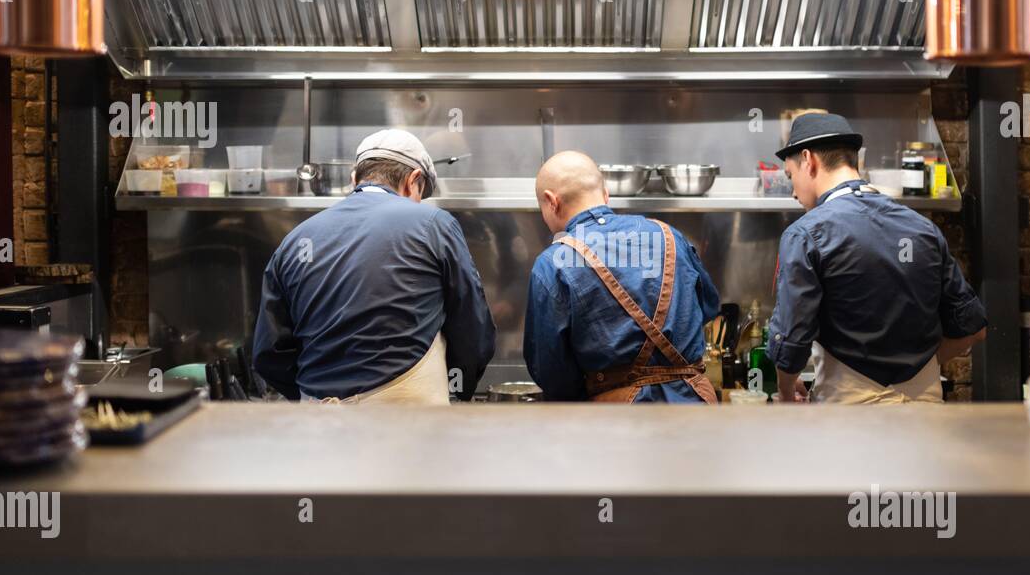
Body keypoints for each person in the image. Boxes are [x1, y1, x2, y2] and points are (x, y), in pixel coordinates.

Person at [252, 129, 495, 404]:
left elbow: (268, 353)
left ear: (354, 178)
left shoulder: (296, 239)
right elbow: (472, 329)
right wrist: (458, 389)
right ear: (413, 180)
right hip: (408, 419)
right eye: (420, 195)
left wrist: (316, 397)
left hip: (318, 424)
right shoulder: (435, 225)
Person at [767, 112, 987, 404]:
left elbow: (792, 343)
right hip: (926, 413)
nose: (793, 191)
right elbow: (973, 329)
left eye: (790, 175)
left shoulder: (805, 234)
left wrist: (786, 389)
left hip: (849, 418)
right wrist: (922, 371)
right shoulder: (923, 229)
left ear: (808, 160)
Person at [523, 151, 720, 402]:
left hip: (616, 422)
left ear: (552, 202)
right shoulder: (671, 236)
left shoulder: (552, 263)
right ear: (606, 195)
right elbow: (709, 308)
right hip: (695, 410)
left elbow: (551, 371)